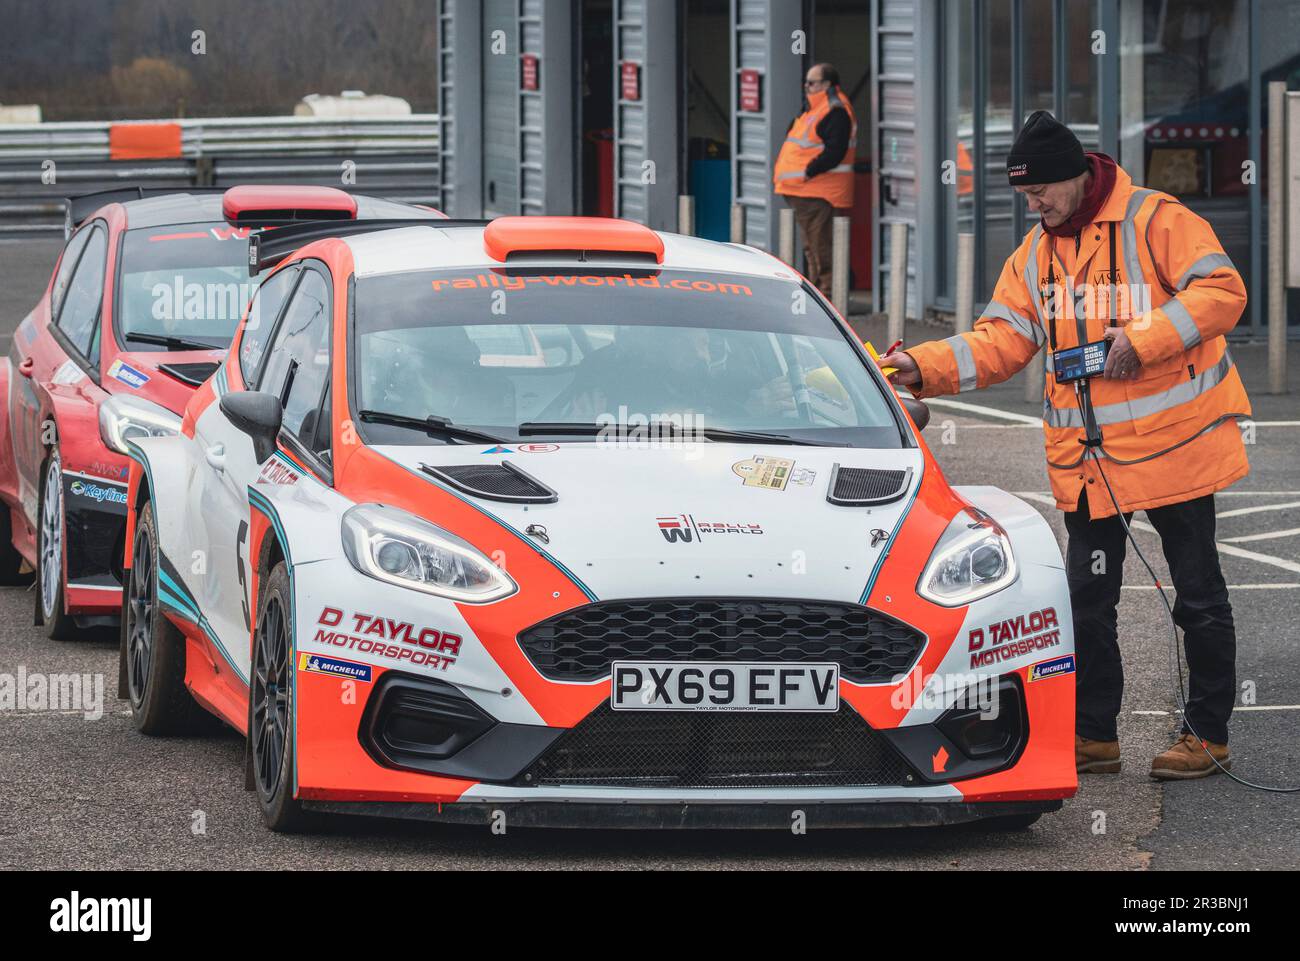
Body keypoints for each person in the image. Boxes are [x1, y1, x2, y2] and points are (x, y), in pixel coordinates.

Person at [879, 110, 1251, 781]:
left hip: (1175, 450)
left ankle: (1208, 735)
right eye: (1026, 196)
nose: (1035, 204)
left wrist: (1144, 339)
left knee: (1198, 596)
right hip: (1092, 463)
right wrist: (922, 367)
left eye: (1041, 191)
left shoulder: (1155, 219)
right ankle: (1094, 734)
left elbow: (1222, 291)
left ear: (1078, 176)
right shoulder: (1036, 254)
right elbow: (1000, 343)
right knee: (1087, 598)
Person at [773, 62, 857, 297]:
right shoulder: (814, 109)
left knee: (821, 248)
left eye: (812, 82)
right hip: (804, 190)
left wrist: (809, 171)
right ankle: (821, 295)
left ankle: (827, 297)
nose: (806, 86)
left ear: (827, 84)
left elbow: (835, 150)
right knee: (813, 248)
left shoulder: (834, 110)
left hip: (818, 191)